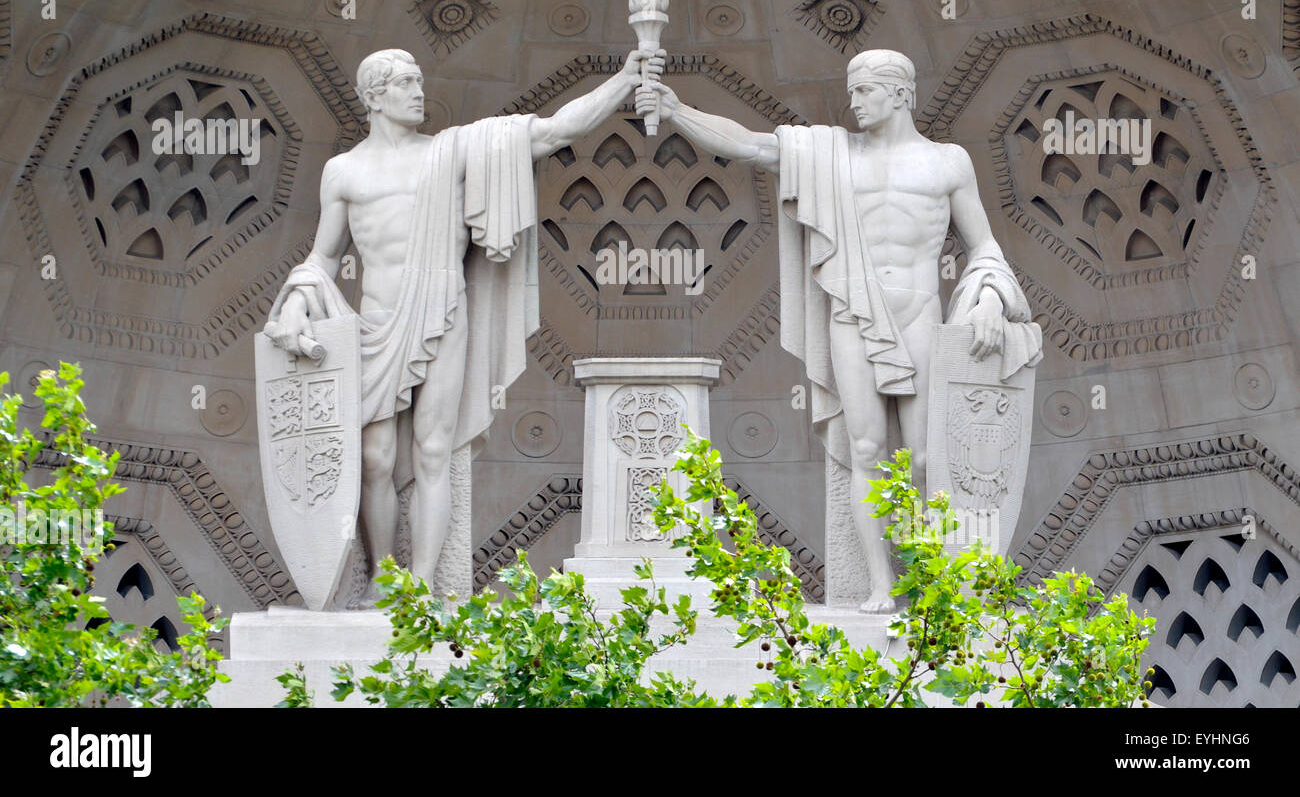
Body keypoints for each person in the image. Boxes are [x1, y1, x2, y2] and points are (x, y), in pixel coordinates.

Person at [637, 49, 1040, 611]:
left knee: (929, 458)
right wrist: (679, 112)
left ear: (899, 92)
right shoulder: (831, 155)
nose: (852, 102)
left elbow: (985, 245)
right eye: (851, 91)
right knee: (868, 448)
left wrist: (993, 298)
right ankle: (880, 584)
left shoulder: (948, 162)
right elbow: (752, 145)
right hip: (853, 313)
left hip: (922, 312)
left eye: (864, 90)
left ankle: (937, 584)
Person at [266, 46, 666, 596]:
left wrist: (623, 81)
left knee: (434, 452)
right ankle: (385, 574)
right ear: (374, 97)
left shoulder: (454, 151)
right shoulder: (343, 171)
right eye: (406, 83)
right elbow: (325, 257)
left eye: (419, 80)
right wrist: (295, 299)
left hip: (442, 313)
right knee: (375, 459)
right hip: (375, 323)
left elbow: (550, 134)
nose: (418, 91)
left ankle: (422, 587)